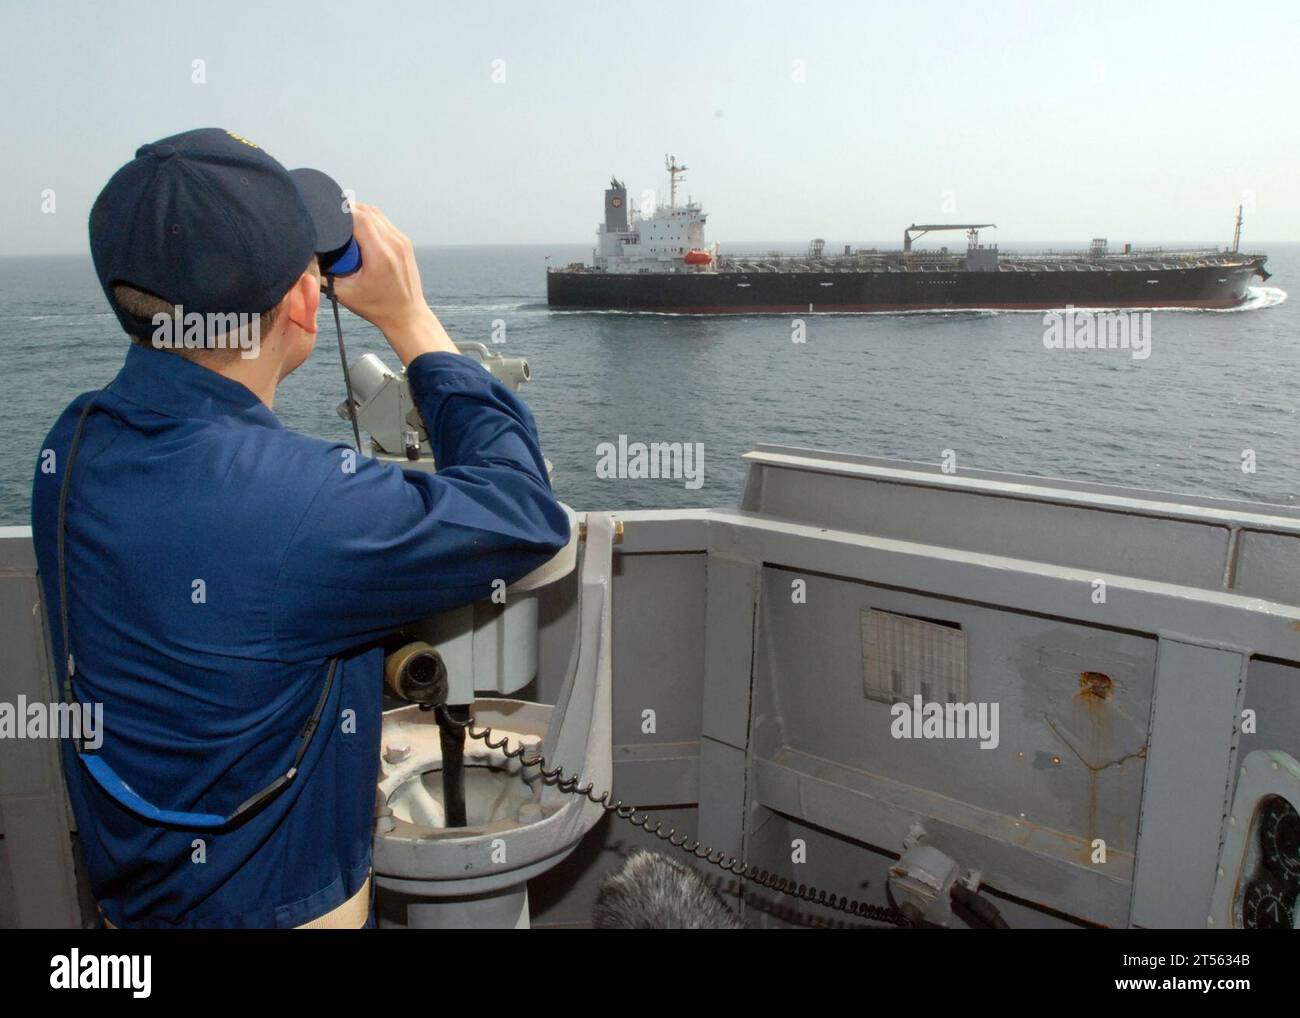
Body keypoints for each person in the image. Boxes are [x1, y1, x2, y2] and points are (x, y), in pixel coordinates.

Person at [29, 128, 570, 928]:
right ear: (304, 302)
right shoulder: (303, 506)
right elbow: (526, 514)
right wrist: (412, 317)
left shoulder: (71, 449)